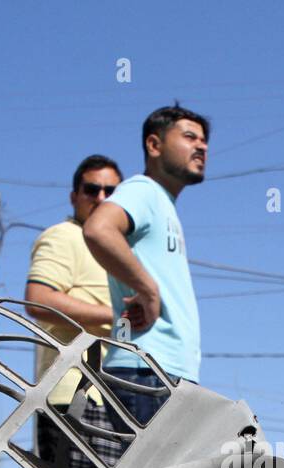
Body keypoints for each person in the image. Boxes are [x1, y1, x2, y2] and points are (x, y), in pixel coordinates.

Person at [25, 155, 124, 468]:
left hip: (113, 400)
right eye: (91, 189)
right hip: (75, 399)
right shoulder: (65, 237)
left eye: (110, 192)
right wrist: (112, 314)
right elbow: (38, 299)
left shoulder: (118, 252)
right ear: (74, 196)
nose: (100, 197)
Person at [83, 103, 208, 429]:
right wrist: (148, 289)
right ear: (154, 145)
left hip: (161, 373)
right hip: (146, 371)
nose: (201, 146)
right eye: (190, 137)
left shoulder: (162, 202)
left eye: (204, 141)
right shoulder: (144, 191)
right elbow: (99, 229)